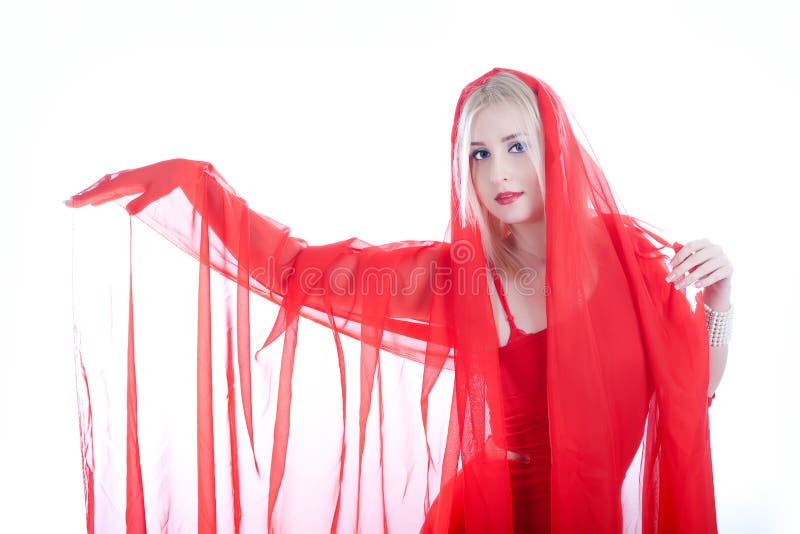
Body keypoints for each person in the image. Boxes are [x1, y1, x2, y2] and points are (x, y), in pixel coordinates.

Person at [67, 68, 733, 533]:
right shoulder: (459, 276)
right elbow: (296, 270)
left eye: (515, 146)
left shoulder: (630, 259)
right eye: (477, 154)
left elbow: (692, 388)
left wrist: (720, 302)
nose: (496, 172)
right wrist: (191, 187)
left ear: (552, 149)